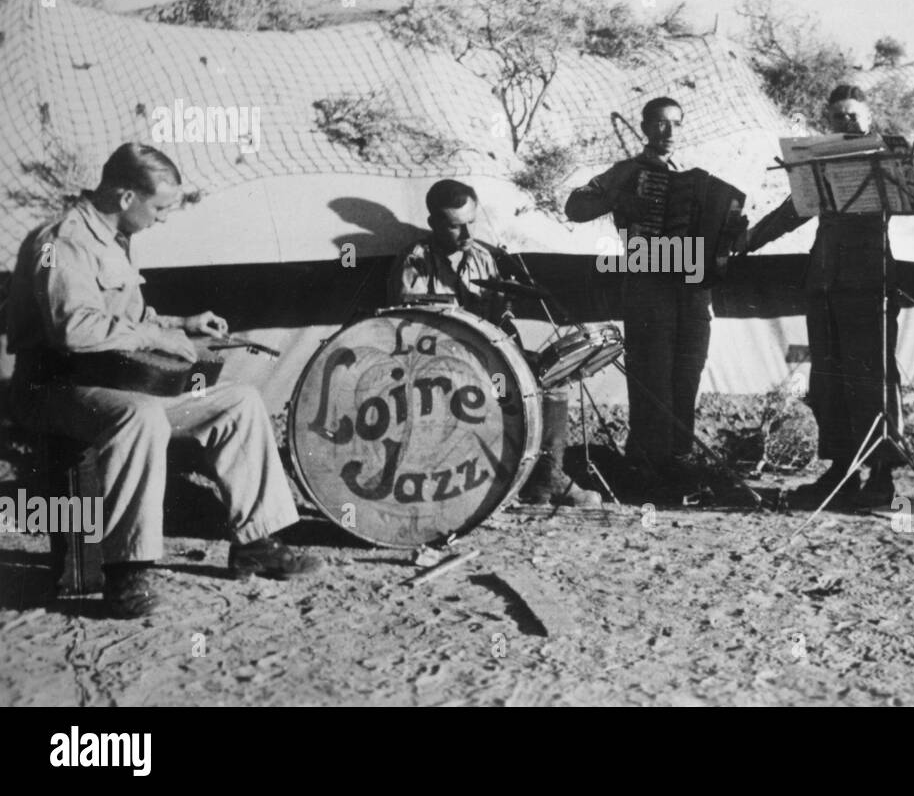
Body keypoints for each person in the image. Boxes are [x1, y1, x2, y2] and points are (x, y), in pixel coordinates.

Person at [6, 143, 320, 619]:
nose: (165, 218)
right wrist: (155, 333)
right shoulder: (62, 241)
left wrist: (180, 323)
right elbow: (73, 330)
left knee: (239, 401)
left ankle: (256, 540)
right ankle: (127, 572)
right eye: (160, 207)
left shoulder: (114, 236)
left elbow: (122, 316)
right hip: (53, 388)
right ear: (126, 196)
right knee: (141, 417)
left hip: (110, 380)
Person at [390, 179, 602, 508]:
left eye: (471, 222)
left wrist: (505, 315)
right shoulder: (415, 262)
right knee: (513, 386)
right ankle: (524, 478)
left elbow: (498, 313)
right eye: (455, 227)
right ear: (433, 224)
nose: (466, 235)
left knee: (551, 379)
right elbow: (413, 327)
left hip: (487, 356)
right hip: (440, 364)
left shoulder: (481, 257)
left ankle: (545, 476)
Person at [740, 84, 904, 510]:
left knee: (874, 379)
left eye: (853, 116)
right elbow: (794, 210)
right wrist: (747, 241)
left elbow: (910, 204)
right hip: (826, 282)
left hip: (870, 283)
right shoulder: (820, 160)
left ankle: (883, 475)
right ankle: (842, 470)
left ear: (869, 117)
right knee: (828, 379)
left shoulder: (888, 156)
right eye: (838, 117)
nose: (846, 124)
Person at [564, 96, 712, 488]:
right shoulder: (628, 171)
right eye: (660, 124)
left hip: (692, 286)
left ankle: (678, 460)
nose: (669, 132)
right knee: (652, 376)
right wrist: (618, 197)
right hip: (647, 280)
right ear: (645, 127)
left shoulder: (696, 175)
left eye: (676, 124)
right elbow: (574, 207)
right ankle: (646, 463)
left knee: (687, 374)